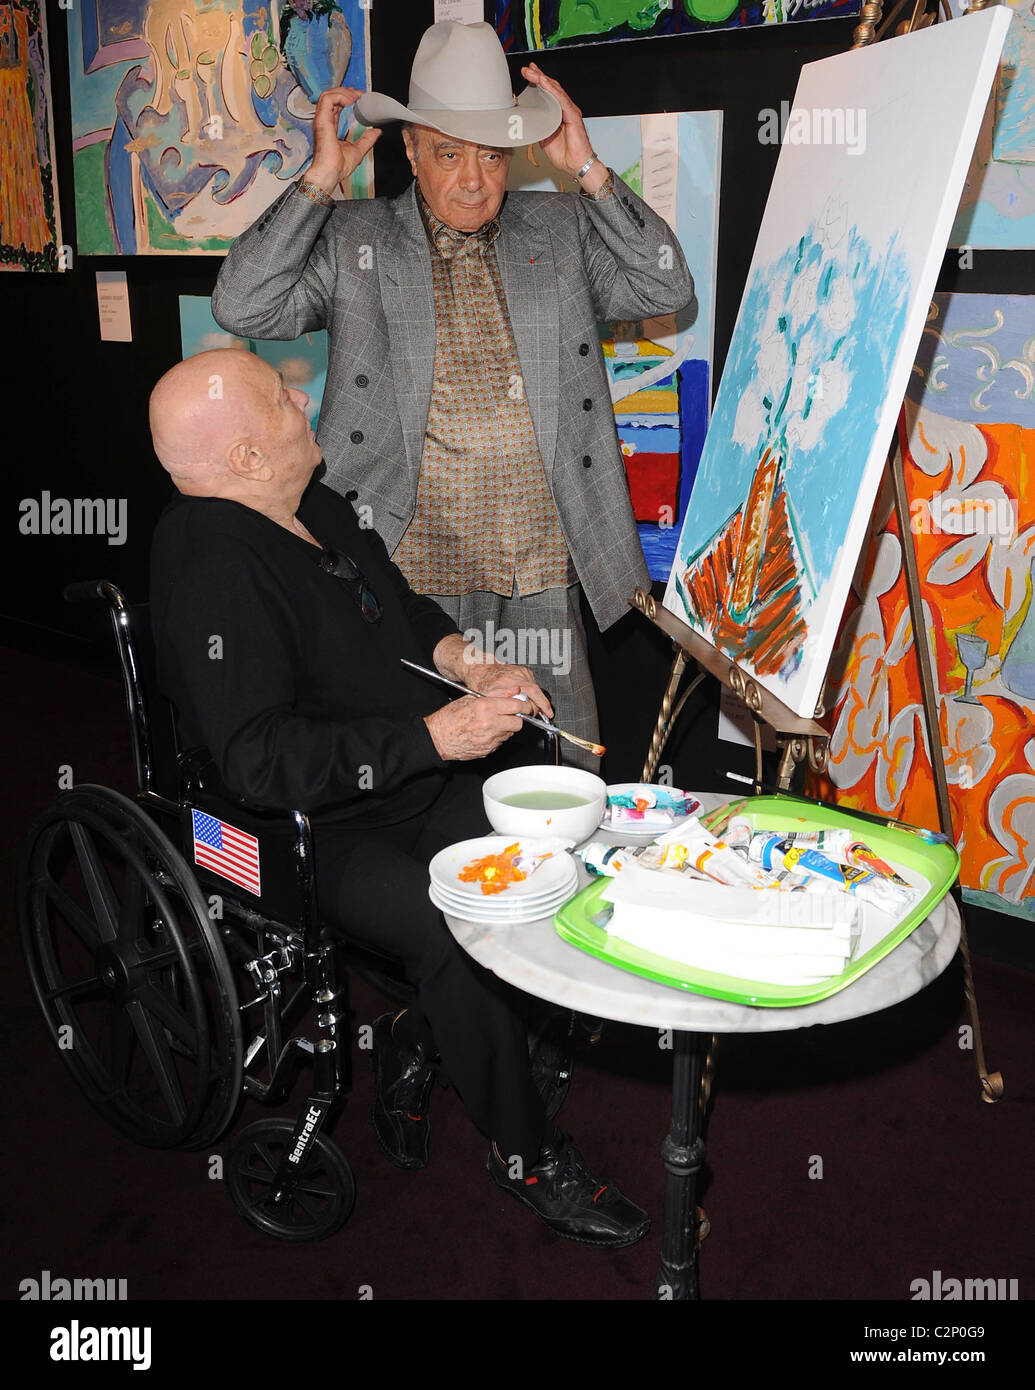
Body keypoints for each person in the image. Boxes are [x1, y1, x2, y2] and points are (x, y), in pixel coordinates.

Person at [147, 347, 651, 1248]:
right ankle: (525, 1153)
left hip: (402, 781)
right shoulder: (211, 569)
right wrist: (434, 737)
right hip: (294, 830)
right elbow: (258, 760)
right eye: (277, 397)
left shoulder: (312, 502)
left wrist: (469, 661)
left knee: (544, 848)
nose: (301, 396)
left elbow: (401, 608)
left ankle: (427, 1035)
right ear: (247, 458)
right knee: (457, 922)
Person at [211, 18, 695, 771]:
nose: (473, 180)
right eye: (448, 154)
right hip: (409, 562)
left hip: (540, 558)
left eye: (492, 156)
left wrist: (590, 169)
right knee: (432, 766)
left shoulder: (559, 227)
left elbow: (664, 281)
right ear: (409, 149)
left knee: (561, 767)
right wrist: (315, 183)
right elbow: (242, 305)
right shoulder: (352, 239)